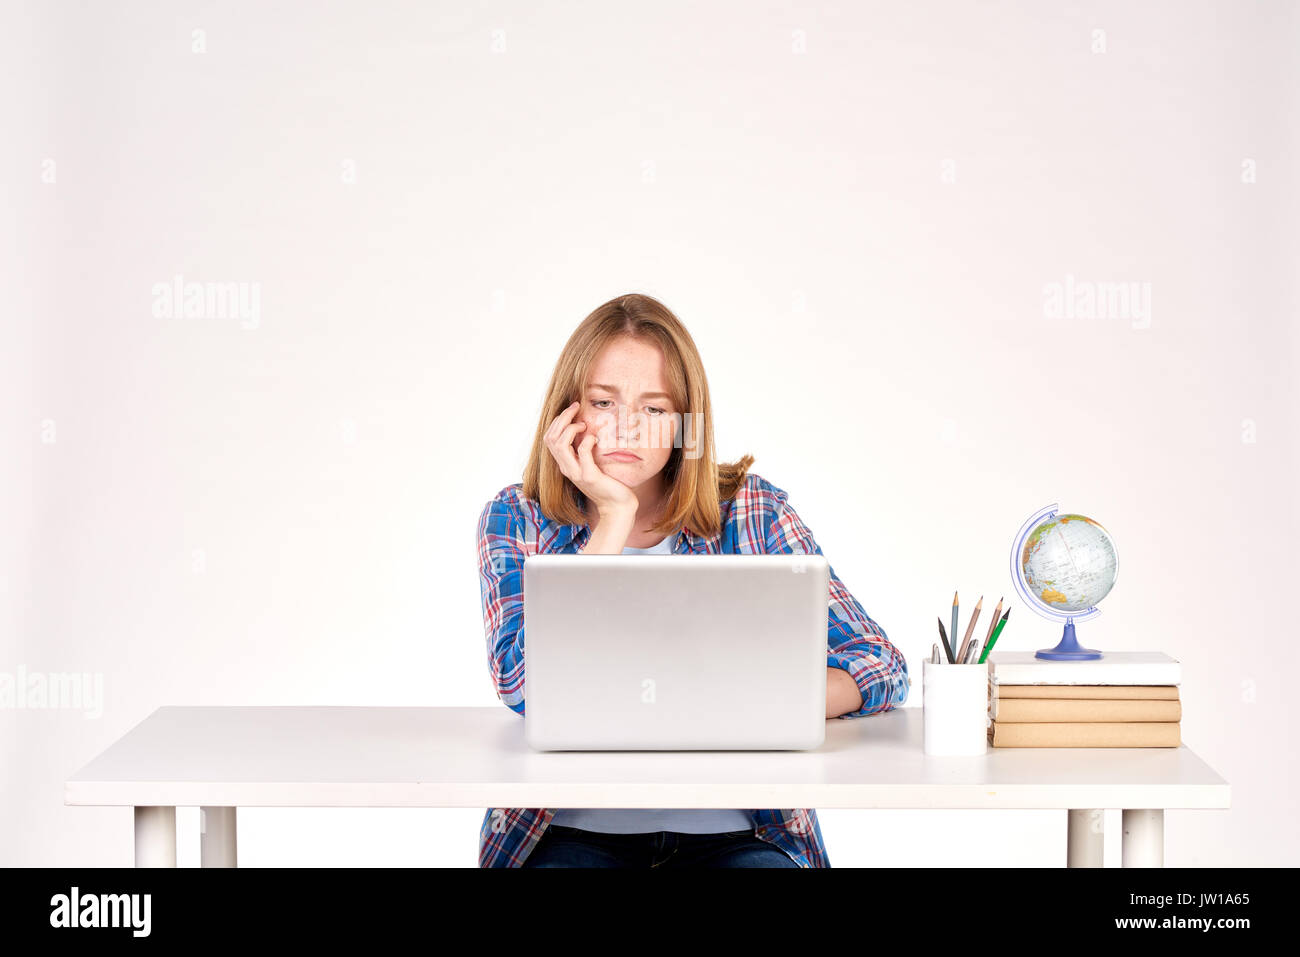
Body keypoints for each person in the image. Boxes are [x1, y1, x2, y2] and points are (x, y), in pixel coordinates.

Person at [475, 293, 910, 867]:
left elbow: (881, 664)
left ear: (686, 424)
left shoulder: (753, 512)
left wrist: (761, 701)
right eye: (604, 402)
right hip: (566, 834)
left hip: (738, 835)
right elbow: (523, 683)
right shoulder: (517, 518)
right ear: (567, 414)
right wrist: (613, 518)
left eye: (654, 410)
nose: (626, 428)